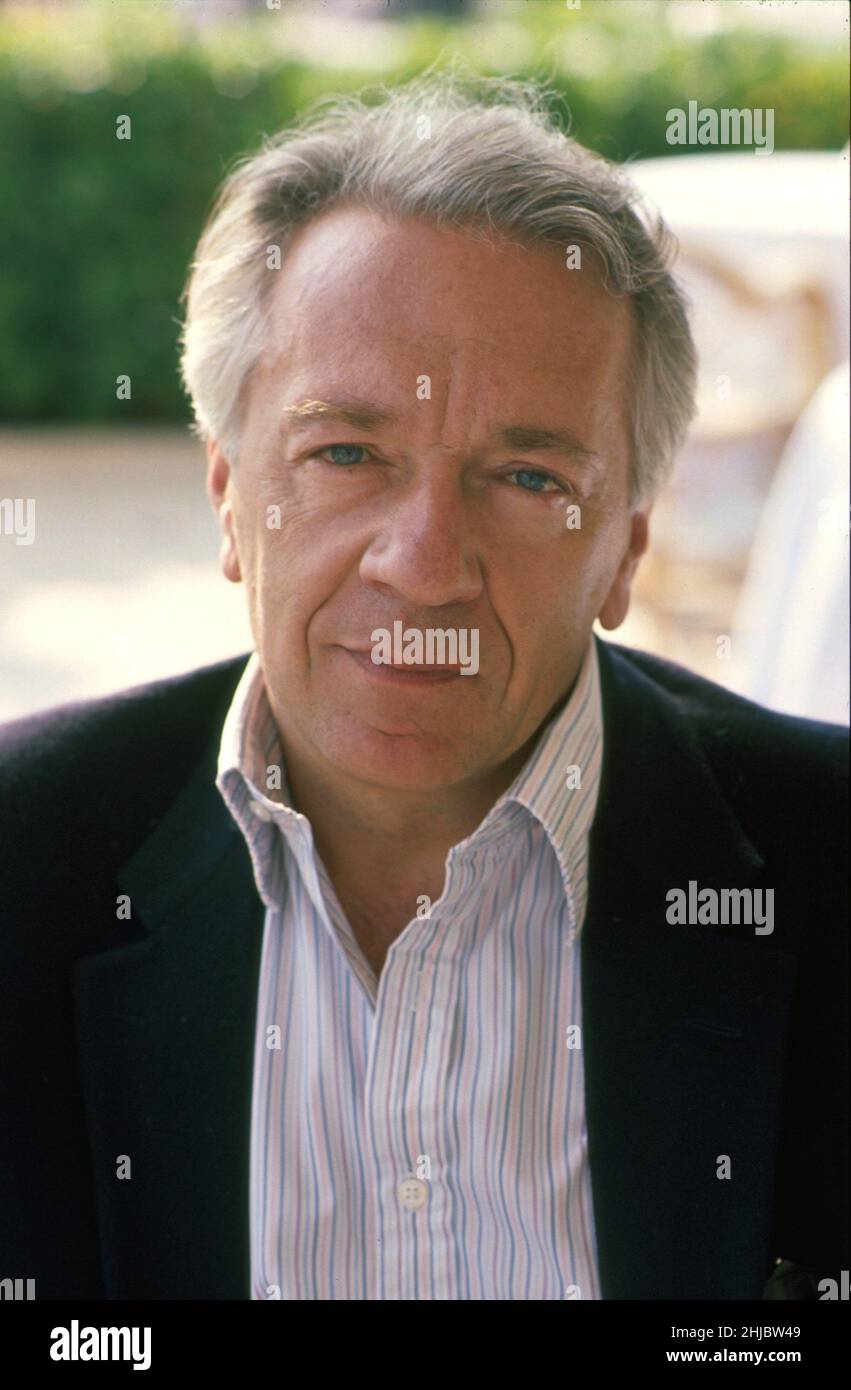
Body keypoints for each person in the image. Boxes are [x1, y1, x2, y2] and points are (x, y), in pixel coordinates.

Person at [0, 74, 846, 1301]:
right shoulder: (22, 864)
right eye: (344, 453)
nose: (424, 563)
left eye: (523, 476)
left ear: (626, 545)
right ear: (230, 493)